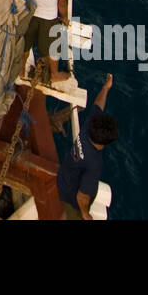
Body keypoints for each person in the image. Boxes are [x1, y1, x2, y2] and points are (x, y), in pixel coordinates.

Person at [57, 73, 118, 219]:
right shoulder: (94, 163)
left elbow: (98, 105)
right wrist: (85, 214)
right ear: (105, 143)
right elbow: (82, 197)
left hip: (64, 177)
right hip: (71, 197)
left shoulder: (89, 126)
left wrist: (106, 88)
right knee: (72, 215)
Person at [10, 0, 70, 85]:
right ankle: (54, 74)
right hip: (50, 19)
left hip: (30, 17)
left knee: (25, 44)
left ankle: (21, 71)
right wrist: (65, 19)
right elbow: (62, 6)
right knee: (53, 47)